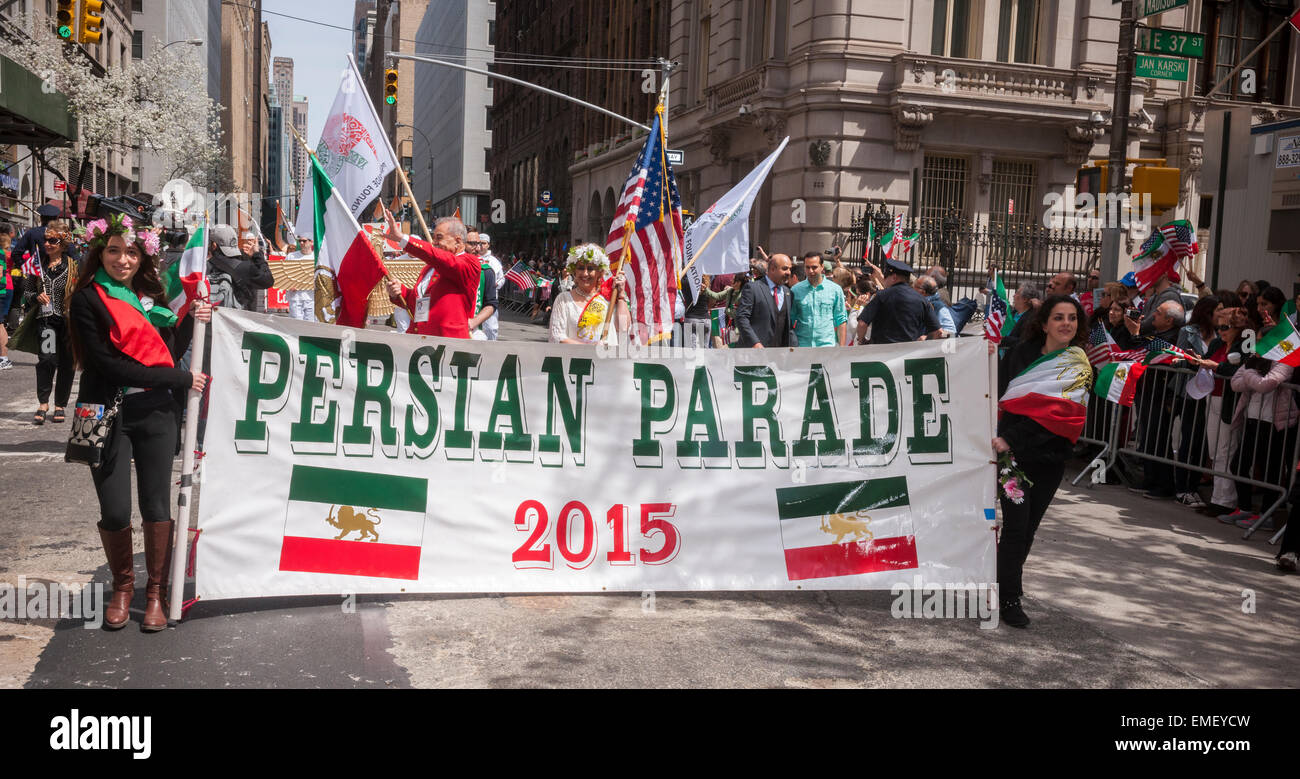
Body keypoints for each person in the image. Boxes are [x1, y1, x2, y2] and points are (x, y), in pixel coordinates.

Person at [66, 215, 210, 631]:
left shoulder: (153, 295)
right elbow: (107, 364)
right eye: (113, 250)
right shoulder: (87, 299)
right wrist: (179, 379)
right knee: (114, 508)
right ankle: (123, 588)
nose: (123, 259)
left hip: (156, 413)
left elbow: (167, 352)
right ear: (100, 253)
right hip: (106, 412)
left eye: (131, 251)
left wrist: (192, 322)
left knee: (156, 505)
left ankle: (155, 594)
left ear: (142, 255)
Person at [992, 295, 1092, 628]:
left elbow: (1063, 417)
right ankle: (1009, 599)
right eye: (1059, 317)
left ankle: (999, 584)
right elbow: (1003, 395)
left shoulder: (1079, 364)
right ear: (1045, 322)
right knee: (1015, 529)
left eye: (1073, 318)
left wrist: (1015, 435)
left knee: (1029, 529)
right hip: (1012, 457)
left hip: (1050, 458)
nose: (1067, 323)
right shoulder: (1021, 354)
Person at [1222, 287, 1298, 529]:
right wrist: (1253, 372)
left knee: (1270, 470)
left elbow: (1269, 383)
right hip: (1253, 416)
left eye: (1266, 339)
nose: (1262, 343)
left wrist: (1251, 374)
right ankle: (1244, 508)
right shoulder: (1255, 357)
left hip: (1276, 421)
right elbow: (1235, 383)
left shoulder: (1284, 358)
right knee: (1239, 463)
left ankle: (1266, 515)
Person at [384, 209, 480, 339]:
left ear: (458, 241)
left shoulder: (469, 263)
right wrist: (399, 291)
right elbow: (417, 303)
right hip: (420, 340)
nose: (434, 242)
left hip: (447, 343)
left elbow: (444, 260)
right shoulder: (429, 268)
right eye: (433, 237)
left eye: (439, 237)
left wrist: (402, 238)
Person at [1169, 295, 1223, 508]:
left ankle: (1194, 485)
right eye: (1218, 310)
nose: (1221, 313)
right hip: (1190, 393)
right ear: (1207, 312)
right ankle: (1183, 488)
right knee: (1189, 440)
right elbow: (1176, 361)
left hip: (1213, 394)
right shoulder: (1187, 332)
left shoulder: (1222, 334)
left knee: (1203, 443)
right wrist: (1192, 362)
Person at [24, 219, 77, 424]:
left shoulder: (73, 266)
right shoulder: (36, 266)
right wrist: (36, 297)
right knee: (46, 359)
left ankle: (60, 405)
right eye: (46, 240)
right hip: (46, 320)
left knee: (67, 363)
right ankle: (43, 403)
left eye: (53, 240)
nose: (47, 244)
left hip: (69, 323)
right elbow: (27, 292)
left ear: (63, 244)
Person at [548, 244, 629, 345]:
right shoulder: (563, 299)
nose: (585, 273)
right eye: (581, 268)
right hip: (575, 359)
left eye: (590, 268)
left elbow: (623, 328)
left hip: (607, 359)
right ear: (574, 271)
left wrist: (621, 294)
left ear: (600, 272)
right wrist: (590, 348)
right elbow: (556, 337)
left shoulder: (609, 298)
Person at [856, 258, 942, 344]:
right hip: (908, 354)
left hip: (881, 353)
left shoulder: (881, 296)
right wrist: (924, 342)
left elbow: (862, 324)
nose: (884, 278)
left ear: (894, 277)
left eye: (886, 275)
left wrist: (862, 340)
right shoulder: (922, 300)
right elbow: (938, 332)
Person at [206, 224, 274, 312]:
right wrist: (257, 254)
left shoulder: (203, 267)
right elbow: (268, 281)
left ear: (214, 245)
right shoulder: (245, 267)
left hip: (212, 321)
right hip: (237, 321)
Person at [735, 252, 794, 348]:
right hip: (754, 355)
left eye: (790, 269)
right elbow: (741, 318)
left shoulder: (788, 292)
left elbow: (788, 326)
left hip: (779, 355)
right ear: (772, 269)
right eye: (784, 268)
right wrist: (754, 343)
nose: (789, 272)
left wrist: (794, 348)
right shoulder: (753, 288)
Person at [790, 252, 847, 347]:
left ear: (822, 267)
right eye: (807, 267)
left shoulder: (835, 290)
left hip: (826, 346)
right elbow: (790, 319)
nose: (811, 271)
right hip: (802, 346)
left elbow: (841, 320)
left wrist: (841, 349)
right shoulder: (795, 290)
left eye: (814, 267)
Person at [464, 229, 499, 341]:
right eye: (472, 244)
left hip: (471, 332)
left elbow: (491, 303)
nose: (478, 248)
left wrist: (474, 321)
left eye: (478, 244)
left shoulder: (486, 271)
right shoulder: (449, 267)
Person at [476, 232, 505, 340]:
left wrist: (497, 284)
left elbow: (502, 279)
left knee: (491, 327)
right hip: (477, 298)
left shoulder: (494, 261)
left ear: (488, 245)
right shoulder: (473, 257)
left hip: (489, 299)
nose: (481, 245)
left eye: (484, 243)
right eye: (479, 243)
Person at [284, 236, 315, 321]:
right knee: (295, 326)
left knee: (310, 325)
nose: (301, 243)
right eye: (300, 241)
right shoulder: (291, 256)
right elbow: (284, 274)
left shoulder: (316, 257)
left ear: (311, 242)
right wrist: (289, 284)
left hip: (311, 297)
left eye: (304, 241)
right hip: (295, 298)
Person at [0, 225, 13, 369]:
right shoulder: (6, 253)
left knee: (0, 323)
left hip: (2, 289)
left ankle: (3, 358)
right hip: (7, 287)